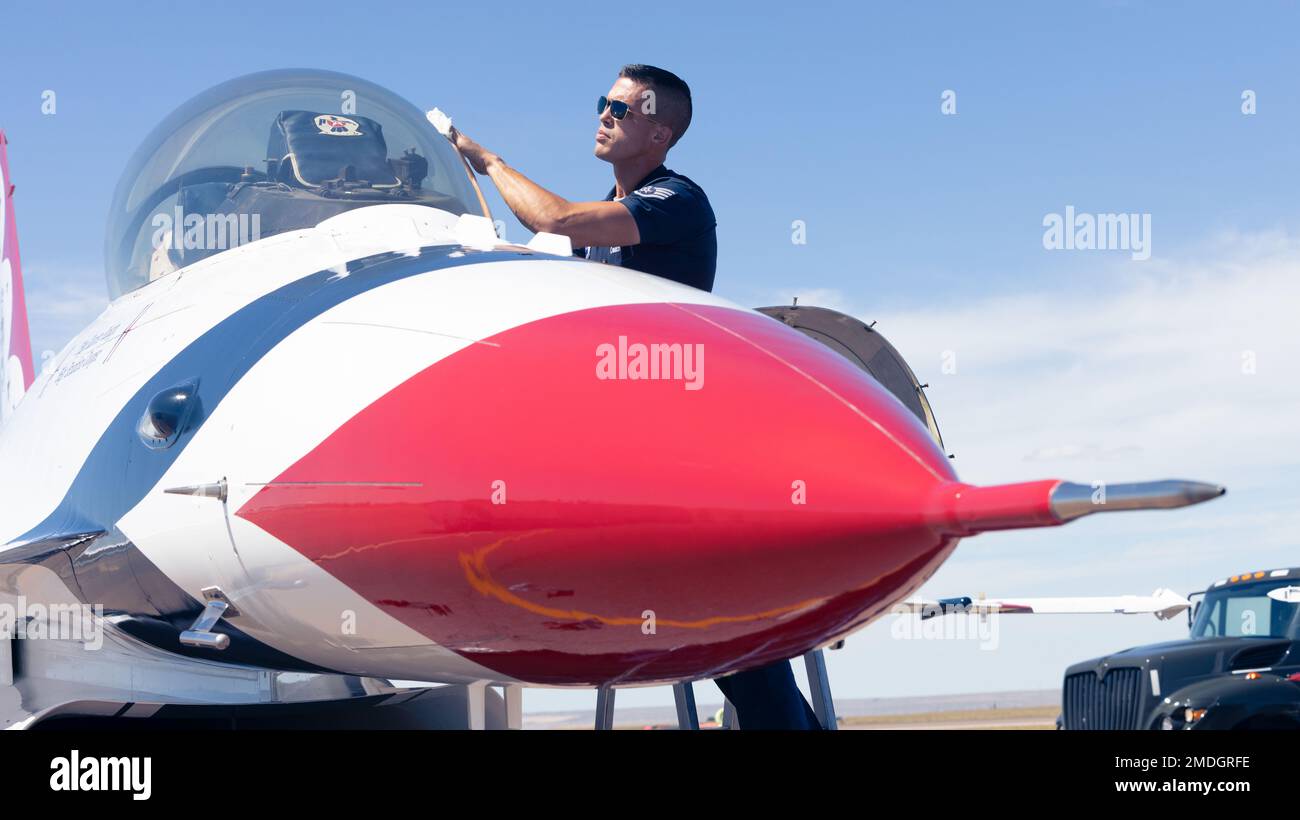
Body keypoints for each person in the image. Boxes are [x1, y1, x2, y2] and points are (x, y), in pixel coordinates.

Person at [450, 63, 819, 730]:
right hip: (624, 462)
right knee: (723, 648)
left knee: (739, 649)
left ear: (662, 132)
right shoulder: (606, 231)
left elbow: (556, 218)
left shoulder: (675, 201)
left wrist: (487, 160)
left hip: (683, 463)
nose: (603, 116)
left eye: (621, 110)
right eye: (603, 103)